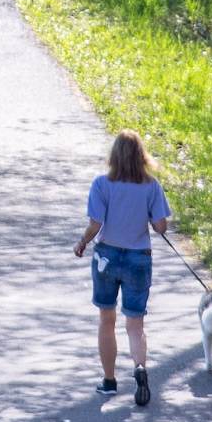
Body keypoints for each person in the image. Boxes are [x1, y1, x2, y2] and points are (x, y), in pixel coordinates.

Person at [73, 130, 171, 406]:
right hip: (139, 258)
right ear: (142, 157)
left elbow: (96, 224)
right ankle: (139, 367)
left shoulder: (102, 184)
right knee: (135, 324)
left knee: (107, 320)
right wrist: (151, 218)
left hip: (107, 257)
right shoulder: (151, 186)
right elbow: (161, 226)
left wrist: (82, 242)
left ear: (114, 156)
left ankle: (109, 381)